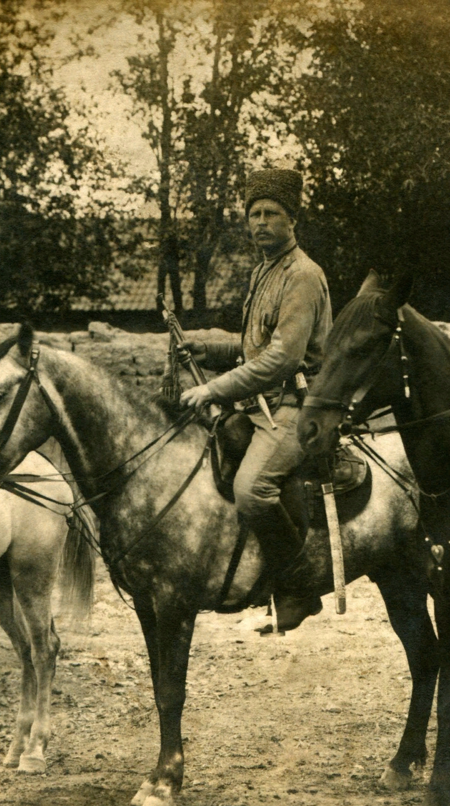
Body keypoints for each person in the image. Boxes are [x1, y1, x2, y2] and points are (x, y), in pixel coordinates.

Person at [178, 168, 332, 632]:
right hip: (258, 404)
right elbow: (253, 349)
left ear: (293, 220)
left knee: (252, 490)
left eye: (272, 214)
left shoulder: (303, 275)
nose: (261, 222)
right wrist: (206, 347)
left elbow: (283, 359)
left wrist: (212, 388)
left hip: (296, 406)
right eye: (254, 214)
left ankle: (299, 584)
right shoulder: (264, 270)